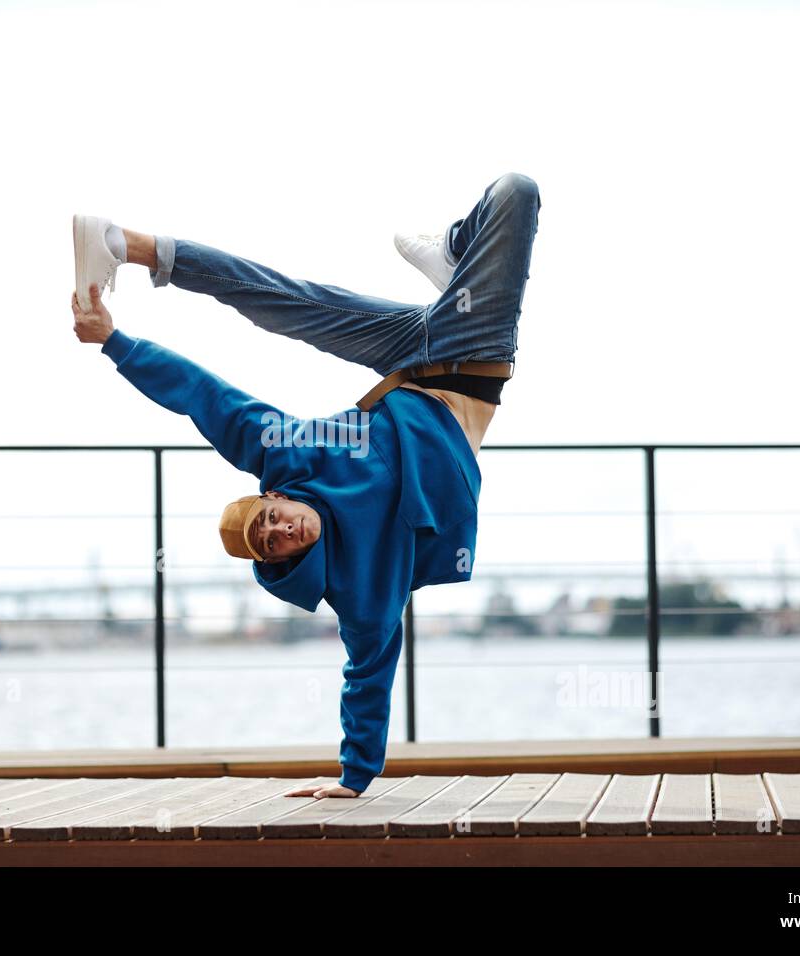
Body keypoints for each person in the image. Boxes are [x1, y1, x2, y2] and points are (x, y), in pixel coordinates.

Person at [70, 173, 541, 797]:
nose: (283, 530)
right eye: (276, 544)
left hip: (404, 353)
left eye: (271, 520)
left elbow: (201, 395)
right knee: (517, 192)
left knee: (281, 298)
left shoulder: (285, 455)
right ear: (283, 558)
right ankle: (457, 262)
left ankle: (126, 244)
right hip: (474, 353)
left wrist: (114, 343)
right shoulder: (361, 591)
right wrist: (353, 778)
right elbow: (367, 675)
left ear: (274, 497)